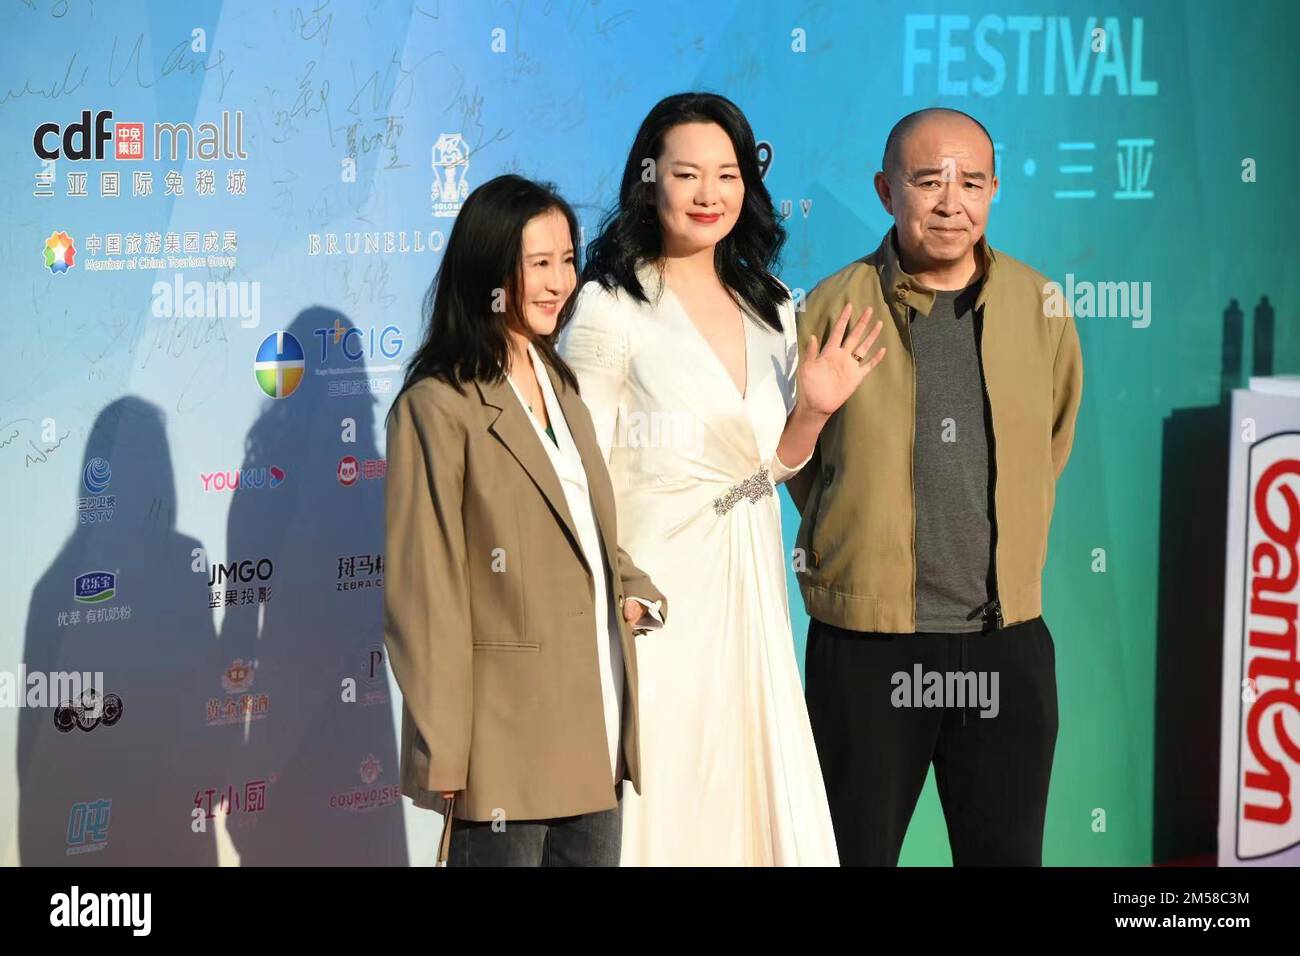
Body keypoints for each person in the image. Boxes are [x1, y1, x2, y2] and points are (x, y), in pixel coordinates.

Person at [560, 92, 884, 865]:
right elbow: (577, 471)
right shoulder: (610, 305)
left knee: (749, 793)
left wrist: (811, 411)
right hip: (655, 595)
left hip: (750, 582)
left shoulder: (770, 305)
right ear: (649, 181)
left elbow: (759, 476)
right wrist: (611, 590)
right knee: (671, 792)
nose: (709, 195)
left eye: (728, 174)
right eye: (687, 174)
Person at [789, 108, 1084, 866]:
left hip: (1005, 647)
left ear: (993, 192)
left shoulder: (1040, 306)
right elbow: (800, 465)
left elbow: (1048, 442)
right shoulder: (828, 307)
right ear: (887, 190)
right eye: (928, 181)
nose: (951, 203)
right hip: (867, 651)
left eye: (972, 182)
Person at [384, 174, 668, 867]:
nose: (559, 282)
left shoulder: (559, 380)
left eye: (567, 260)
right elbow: (425, 595)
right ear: (488, 268)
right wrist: (443, 747)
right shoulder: (439, 404)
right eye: (537, 263)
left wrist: (633, 587)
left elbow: (582, 523)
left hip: (594, 722)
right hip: (503, 744)